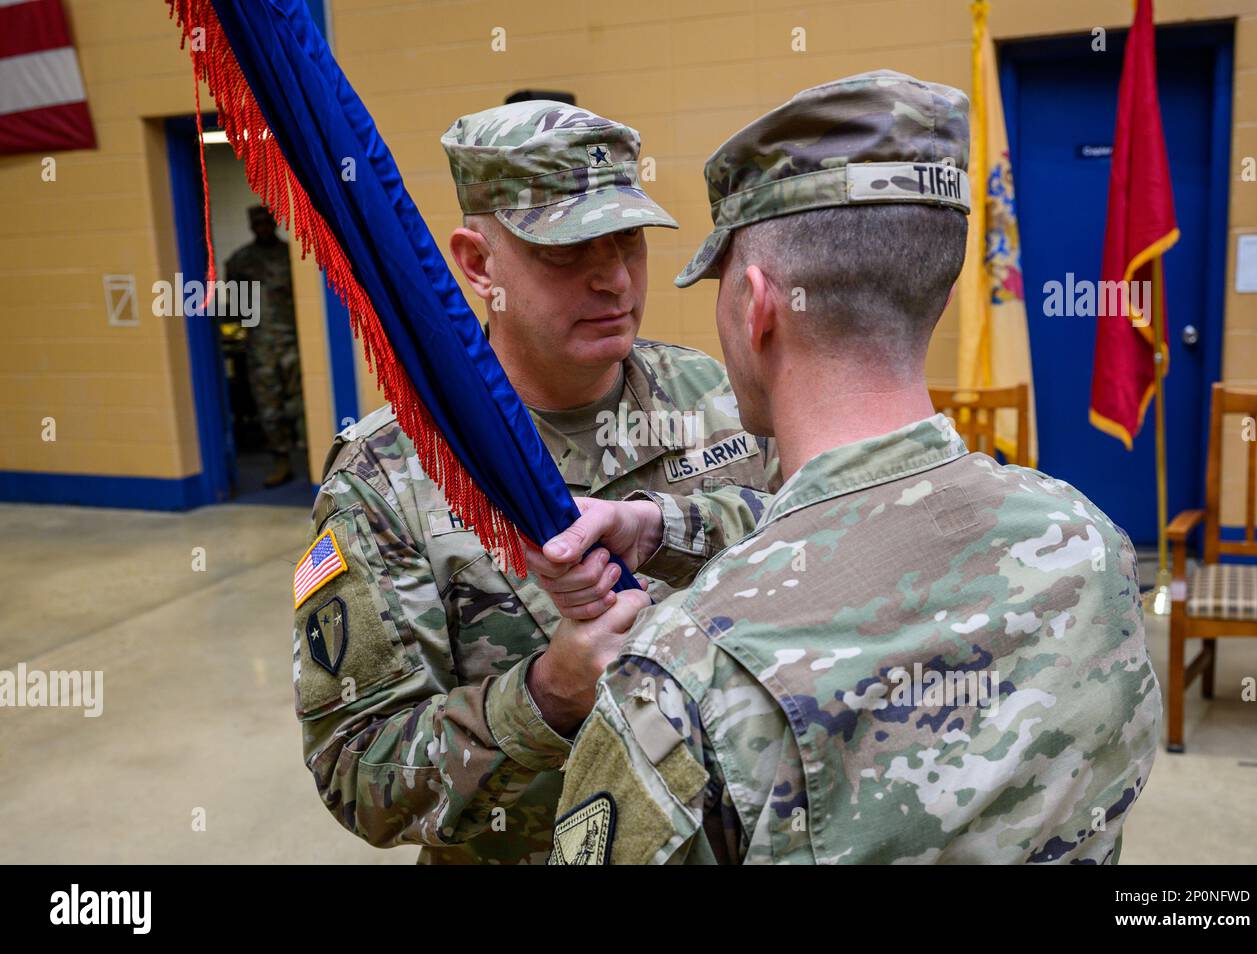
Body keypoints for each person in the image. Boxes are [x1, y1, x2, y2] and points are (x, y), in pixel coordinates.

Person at [531, 71, 1163, 865]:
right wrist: (664, 524)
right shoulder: (1093, 546)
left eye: (721, 280)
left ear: (758, 305)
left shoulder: (686, 677)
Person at [291, 100, 781, 864]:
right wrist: (545, 696)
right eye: (568, 253)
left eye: (628, 243)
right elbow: (357, 772)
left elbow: (800, 548)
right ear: (479, 264)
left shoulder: (712, 397)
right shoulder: (393, 476)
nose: (614, 279)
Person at [225, 205, 304, 488]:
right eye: (256, 223)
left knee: (300, 406)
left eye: (265, 221)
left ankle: (312, 459)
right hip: (260, 347)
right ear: (250, 226)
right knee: (268, 409)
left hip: (295, 343)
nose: (262, 227)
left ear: (274, 222)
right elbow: (235, 307)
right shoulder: (240, 261)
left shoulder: (291, 256)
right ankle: (281, 462)